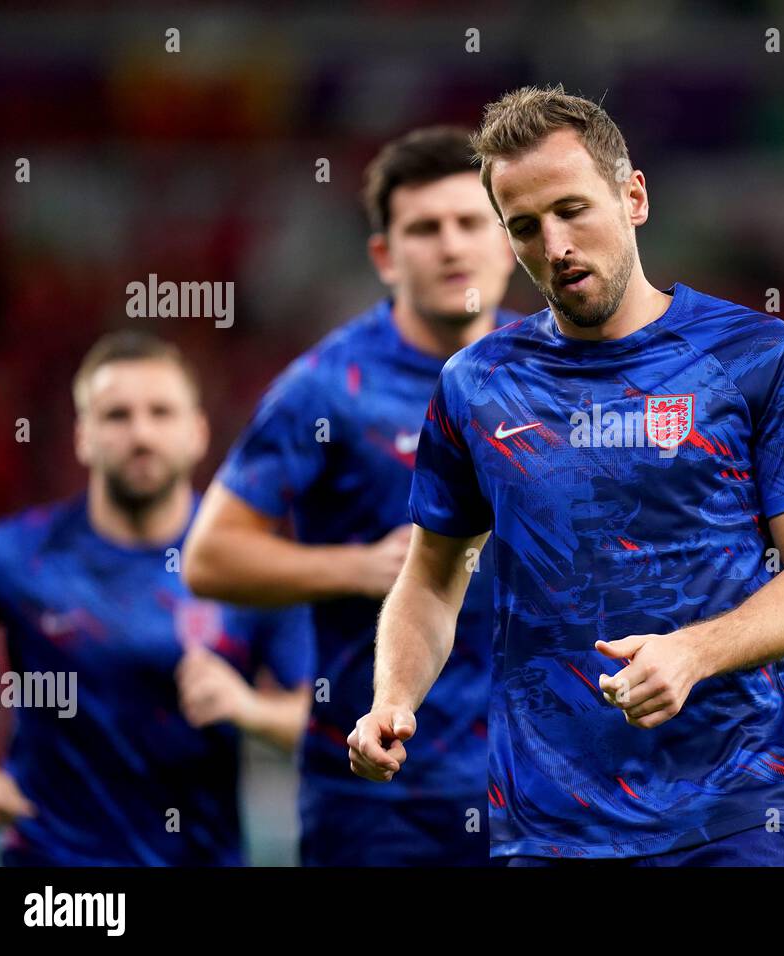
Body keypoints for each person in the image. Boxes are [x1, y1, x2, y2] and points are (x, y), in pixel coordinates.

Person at [348, 84, 784, 866]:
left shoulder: (759, 359)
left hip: (736, 817)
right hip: (549, 830)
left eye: (572, 210)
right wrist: (392, 697)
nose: (554, 246)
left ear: (634, 196)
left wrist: (694, 653)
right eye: (524, 227)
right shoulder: (476, 385)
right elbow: (431, 578)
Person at [183, 126, 519, 865]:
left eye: (471, 223)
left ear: (508, 240)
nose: (451, 247)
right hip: (378, 796)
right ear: (384, 256)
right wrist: (357, 568)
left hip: (541, 787)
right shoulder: (326, 388)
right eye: (425, 229)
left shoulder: (553, 373)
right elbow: (208, 557)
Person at [0, 331, 311, 865]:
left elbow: (333, 720)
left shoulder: (250, 564)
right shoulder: (12, 556)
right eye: (117, 416)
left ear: (198, 432)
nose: (141, 434)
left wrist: (250, 710)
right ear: (82, 436)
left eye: (160, 413)